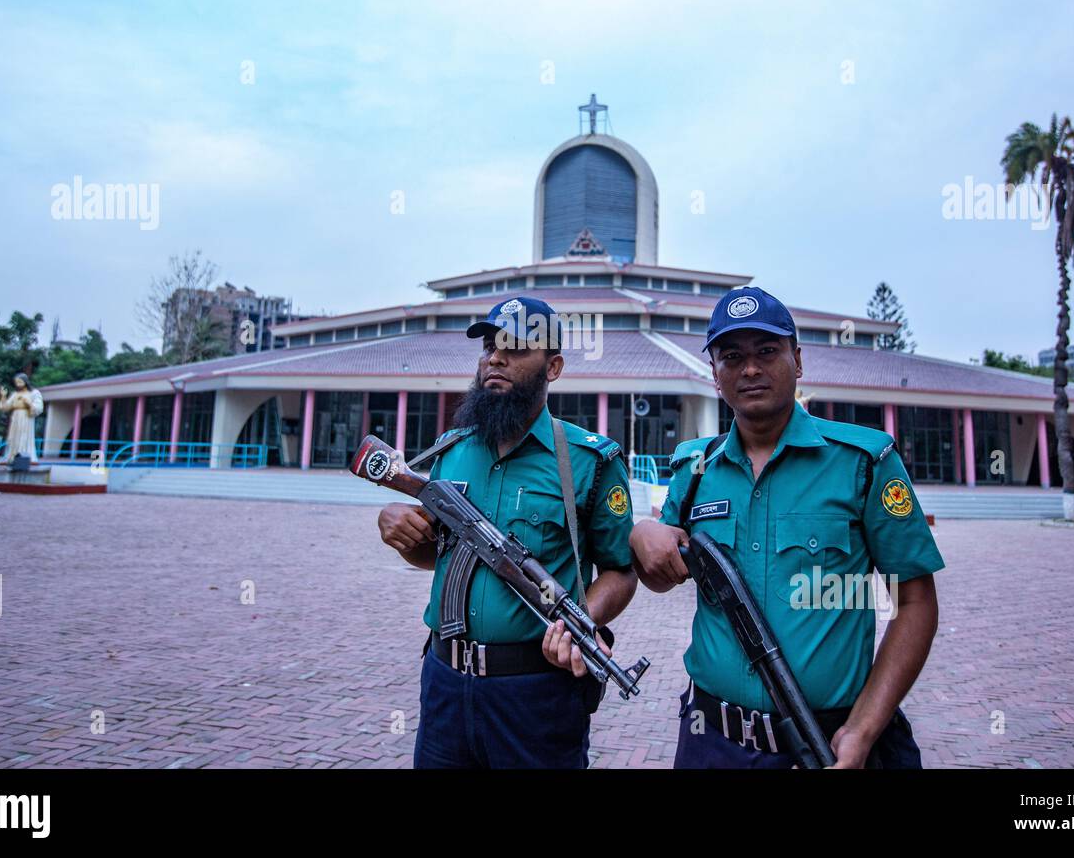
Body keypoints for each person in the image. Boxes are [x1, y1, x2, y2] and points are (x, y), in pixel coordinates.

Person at [630, 286, 945, 769]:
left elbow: (916, 601)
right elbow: (660, 570)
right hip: (712, 742)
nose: (750, 369)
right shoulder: (694, 469)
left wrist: (862, 730)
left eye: (767, 351)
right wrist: (641, 536)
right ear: (715, 374)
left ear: (797, 361)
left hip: (829, 743)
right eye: (731, 356)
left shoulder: (863, 462)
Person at [376, 296, 638, 768]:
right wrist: (401, 530)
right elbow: (439, 555)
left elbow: (621, 571)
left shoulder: (588, 462)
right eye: (490, 347)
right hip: (444, 683)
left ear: (553, 367)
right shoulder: (450, 450)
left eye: (516, 347)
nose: (495, 358)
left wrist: (577, 623)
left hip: (537, 694)